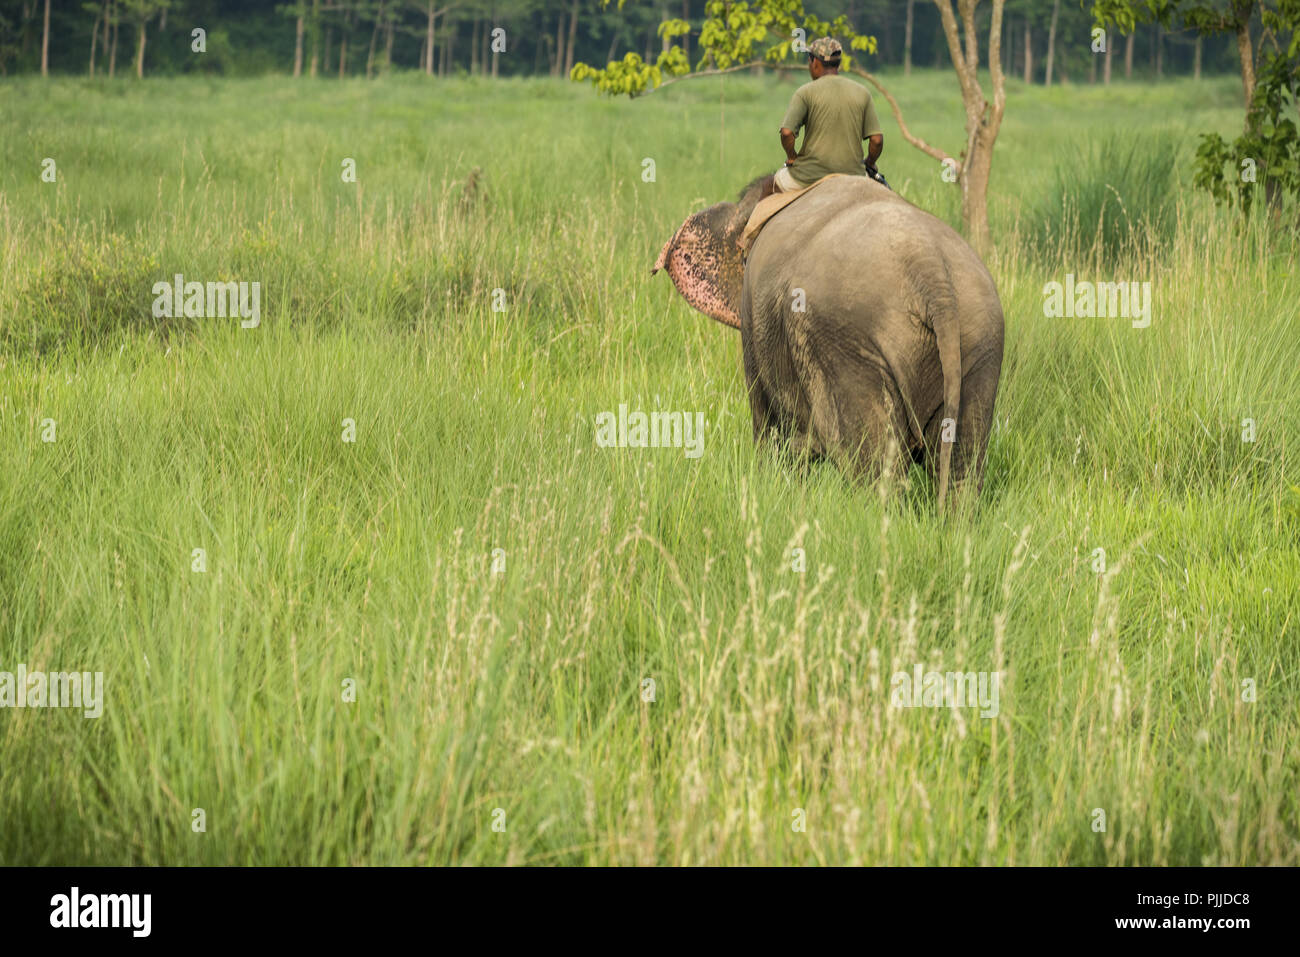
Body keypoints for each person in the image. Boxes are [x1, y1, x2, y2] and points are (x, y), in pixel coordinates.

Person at [773, 37, 886, 193]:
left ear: (815, 62)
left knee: (768, 186)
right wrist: (870, 162)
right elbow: (877, 140)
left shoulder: (805, 92)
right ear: (838, 64)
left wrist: (792, 157)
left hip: (808, 176)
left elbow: (786, 133)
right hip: (854, 175)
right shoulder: (862, 92)